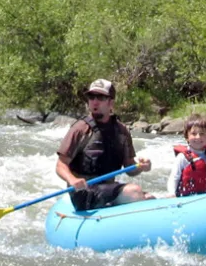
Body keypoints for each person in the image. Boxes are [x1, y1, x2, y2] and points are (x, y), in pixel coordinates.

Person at [56, 79, 155, 211]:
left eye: (101, 97)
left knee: (149, 198)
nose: (95, 102)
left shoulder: (121, 131)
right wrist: (72, 179)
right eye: (91, 97)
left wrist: (141, 167)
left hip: (108, 189)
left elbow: (130, 167)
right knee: (134, 192)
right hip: (84, 193)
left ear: (111, 103)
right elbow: (60, 165)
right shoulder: (80, 129)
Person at [167, 115, 206, 197]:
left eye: (202, 134)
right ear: (187, 136)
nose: (198, 137)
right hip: (188, 199)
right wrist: (171, 193)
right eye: (193, 134)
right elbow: (174, 178)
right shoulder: (182, 158)